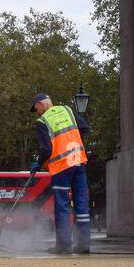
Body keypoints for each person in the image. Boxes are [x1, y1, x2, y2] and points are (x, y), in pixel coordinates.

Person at [30, 92, 92, 254]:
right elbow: (85, 127)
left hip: (61, 167)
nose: (37, 112)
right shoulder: (68, 111)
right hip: (78, 162)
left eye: (36, 108)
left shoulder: (42, 121)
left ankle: (63, 246)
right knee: (81, 204)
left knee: (62, 206)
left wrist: (38, 162)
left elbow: (47, 149)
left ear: (42, 104)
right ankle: (84, 245)